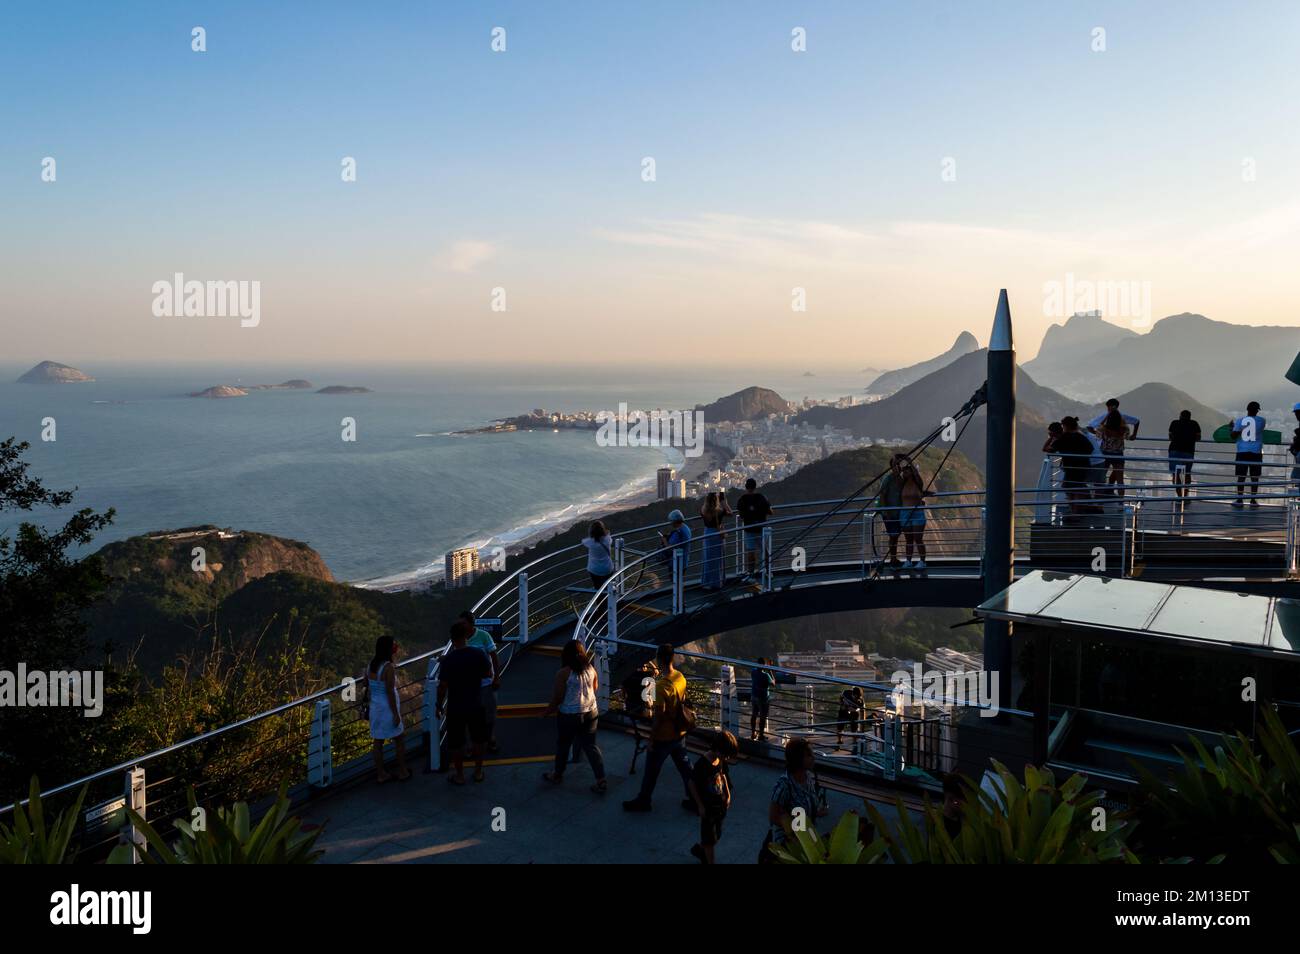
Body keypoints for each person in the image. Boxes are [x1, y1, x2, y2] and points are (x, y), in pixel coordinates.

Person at [623, 643, 693, 813]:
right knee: (686, 770)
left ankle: (644, 801)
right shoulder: (680, 677)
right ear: (672, 657)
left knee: (651, 772)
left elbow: (659, 717)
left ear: (659, 658)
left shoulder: (661, 686)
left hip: (664, 736)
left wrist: (652, 739)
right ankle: (695, 798)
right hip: (679, 733)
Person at [542, 639, 607, 793]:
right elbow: (595, 687)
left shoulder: (563, 673)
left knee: (563, 745)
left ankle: (557, 775)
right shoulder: (590, 669)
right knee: (591, 746)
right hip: (591, 711)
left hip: (569, 715)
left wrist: (546, 712)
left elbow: (558, 697)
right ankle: (601, 779)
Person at [437, 620, 492, 785]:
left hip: (456, 706)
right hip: (476, 702)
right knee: (478, 739)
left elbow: (443, 686)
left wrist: (438, 705)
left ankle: (459, 775)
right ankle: (478, 772)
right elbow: (488, 674)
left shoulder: (449, 660)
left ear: (452, 639)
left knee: (457, 742)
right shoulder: (478, 654)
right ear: (466, 636)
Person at [760, 737, 827, 863]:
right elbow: (773, 817)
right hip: (788, 845)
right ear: (798, 760)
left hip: (807, 839)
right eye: (808, 755)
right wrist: (795, 831)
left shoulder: (808, 778)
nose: (813, 757)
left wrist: (817, 812)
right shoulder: (784, 785)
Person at [688, 730, 739, 864]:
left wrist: (727, 795)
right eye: (725, 755)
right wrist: (700, 805)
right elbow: (691, 783)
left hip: (719, 807)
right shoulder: (702, 764)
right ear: (717, 749)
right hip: (708, 809)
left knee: (715, 836)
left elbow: (723, 776)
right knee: (710, 840)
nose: (726, 758)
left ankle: (700, 850)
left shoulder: (719, 760)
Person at [367, 636, 410, 784]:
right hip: (387, 709)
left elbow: (367, 683)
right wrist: (396, 714)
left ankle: (381, 774)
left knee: (378, 741)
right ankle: (403, 771)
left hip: (375, 708)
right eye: (393, 645)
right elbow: (390, 692)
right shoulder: (388, 668)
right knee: (399, 739)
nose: (395, 647)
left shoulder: (371, 665)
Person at [460, 611, 501, 754]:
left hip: (486, 683)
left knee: (489, 713)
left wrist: (496, 677)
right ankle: (473, 743)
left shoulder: (484, 636)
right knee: (470, 715)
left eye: (463, 623)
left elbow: (494, 657)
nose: (461, 625)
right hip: (468, 686)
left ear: (471, 623)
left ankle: (490, 738)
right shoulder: (461, 638)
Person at [1054, 417, 1098, 515]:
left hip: (1072, 468)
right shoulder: (1081, 436)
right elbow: (1090, 449)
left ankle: (1075, 512)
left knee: (1071, 489)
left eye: (1063, 426)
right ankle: (1077, 510)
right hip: (1083, 467)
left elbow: (1050, 449)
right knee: (1077, 488)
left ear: (1066, 426)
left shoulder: (1064, 437)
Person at [736, 478, 773, 582]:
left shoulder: (742, 499)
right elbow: (770, 512)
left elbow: (742, 516)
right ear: (755, 487)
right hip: (761, 528)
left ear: (746, 487)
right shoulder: (762, 497)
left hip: (749, 528)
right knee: (764, 550)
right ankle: (768, 571)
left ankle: (751, 574)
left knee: (751, 552)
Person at [896, 457, 930, 569]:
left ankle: (922, 561)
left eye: (907, 470)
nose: (905, 472)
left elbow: (915, 472)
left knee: (918, 538)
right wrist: (898, 462)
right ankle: (909, 561)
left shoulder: (918, 483)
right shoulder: (902, 483)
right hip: (905, 513)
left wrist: (907, 459)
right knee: (908, 539)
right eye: (904, 471)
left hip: (917, 512)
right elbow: (896, 472)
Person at [1231, 401, 1266, 507]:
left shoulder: (1239, 421)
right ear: (1257, 411)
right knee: (1254, 477)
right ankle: (1253, 500)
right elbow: (1257, 430)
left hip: (1242, 450)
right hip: (1256, 451)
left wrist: (1232, 428)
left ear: (1247, 409)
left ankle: (1239, 500)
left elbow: (1233, 435)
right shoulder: (1262, 421)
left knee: (1241, 476)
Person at [875, 454, 907, 568]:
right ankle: (893, 560)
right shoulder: (887, 479)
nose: (898, 467)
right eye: (895, 465)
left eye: (898, 465)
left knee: (896, 536)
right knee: (893, 536)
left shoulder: (901, 479)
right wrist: (886, 512)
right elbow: (882, 495)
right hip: (890, 513)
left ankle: (894, 558)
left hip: (898, 513)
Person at [699, 491, 732, 589]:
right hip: (717, 535)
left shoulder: (703, 510)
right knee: (718, 559)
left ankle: (707, 582)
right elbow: (731, 513)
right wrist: (724, 502)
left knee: (708, 559)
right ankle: (718, 582)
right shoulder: (720, 511)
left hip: (707, 534)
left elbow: (703, 511)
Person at [1095, 407, 1131, 496]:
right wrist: (1121, 420)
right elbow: (1128, 437)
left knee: (1100, 478)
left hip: (1105, 455)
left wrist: (1106, 416)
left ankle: (1098, 500)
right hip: (1118, 455)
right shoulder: (1124, 429)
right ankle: (1120, 503)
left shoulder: (1103, 429)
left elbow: (1098, 433)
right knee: (1120, 481)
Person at [1167, 410, 1201, 500]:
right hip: (1188, 451)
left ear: (1180, 416)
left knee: (1176, 474)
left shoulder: (1174, 423)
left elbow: (1170, 436)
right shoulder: (1194, 424)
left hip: (1174, 450)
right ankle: (1185, 496)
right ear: (1190, 416)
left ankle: (1179, 496)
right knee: (1187, 473)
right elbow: (1198, 438)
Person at [657, 509, 692, 575]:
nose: (670, 523)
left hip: (676, 562)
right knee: (679, 580)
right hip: (684, 560)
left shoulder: (678, 533)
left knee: (675, 580)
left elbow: (670, 549)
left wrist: (664, 540)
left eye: (671, 521)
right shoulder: (685, 527)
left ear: (674, 522)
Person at [582, 520, 614, 589]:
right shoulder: (608, 539)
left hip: (594, 569)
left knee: (597, 588)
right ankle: (609, 598)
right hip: (608, 568)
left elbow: (583, 541)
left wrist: (592, 536)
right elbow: (608, 535)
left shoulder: (589, 542)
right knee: (608, 587)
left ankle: (599, 598)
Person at [750, 657, 776, 741]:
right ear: (764, 665)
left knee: (754, 714)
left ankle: (753, 733)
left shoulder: (753, 672)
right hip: (763, 698)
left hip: (754, 696)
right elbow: (773, 683)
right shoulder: (766, 675)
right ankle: (761, 735)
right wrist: (770, 670)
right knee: (762, 716)